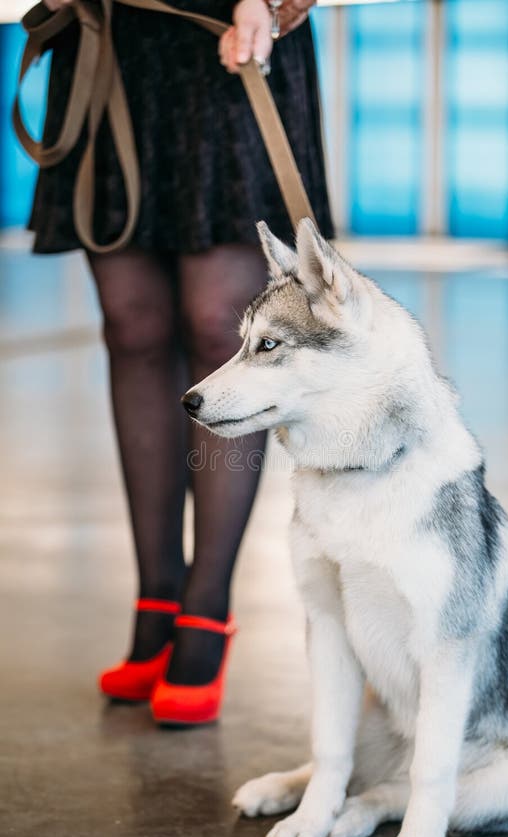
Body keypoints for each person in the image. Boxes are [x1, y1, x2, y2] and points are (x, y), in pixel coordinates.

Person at [30, 0, 333, 724]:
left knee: (218, 327)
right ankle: (157, 596)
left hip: (226, 41)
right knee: (132, 327)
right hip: (112, 42)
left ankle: (206, 605)